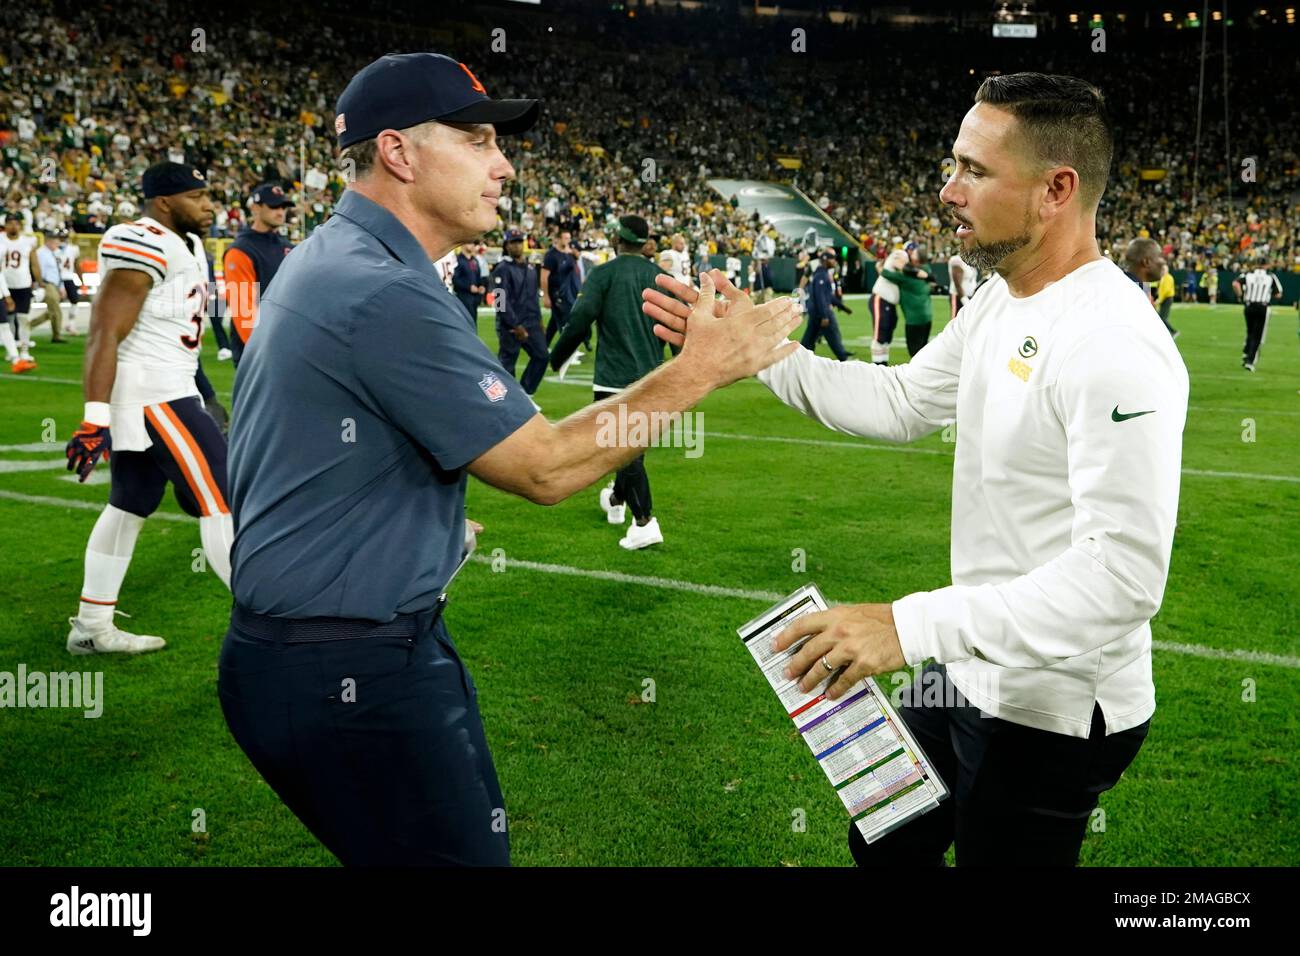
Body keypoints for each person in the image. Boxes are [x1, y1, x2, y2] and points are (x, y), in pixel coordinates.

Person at [217, 52, 800, 867]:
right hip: (348, 667)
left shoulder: (341, 258)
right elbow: (547, 467)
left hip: (313, 652)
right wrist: (704, 364)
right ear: (399, 153)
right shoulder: (382, 287)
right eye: (480, 139)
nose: (504, 164)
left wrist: (409, 518)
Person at [647, 72, 1187, 868]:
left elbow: (1122, 579)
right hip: (966, 672)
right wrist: (762, 355)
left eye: (974, 170)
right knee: (885, 841)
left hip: (1051, 709)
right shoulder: (1003, 300)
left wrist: (907, 626)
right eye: (953, 164)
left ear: (1055, 190)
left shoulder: (1114, 342)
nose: (947, 190)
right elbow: (901, 400)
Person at [64, 162, 231, 655]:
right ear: (163, 202)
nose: (209, 206)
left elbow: (180, 334)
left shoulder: (191, 245)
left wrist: (205, 393)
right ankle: (281, 634)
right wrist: (95, 418)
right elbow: (104, 331)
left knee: (131, 499)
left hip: (173, 385)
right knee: (222, 496)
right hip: (153, 392)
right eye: (197, 197)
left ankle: (92, 626)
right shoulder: (140, 239)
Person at [550, 214, 669, 550]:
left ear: (618, 239)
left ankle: (645, 521)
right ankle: (617, 501)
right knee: (630, 449)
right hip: (655, 379)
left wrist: (557, 357)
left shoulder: (603, 274)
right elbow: (679, 328)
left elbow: (579, 320)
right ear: (646, 242)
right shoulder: (662, 277)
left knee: (623, 452)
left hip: (615, 379)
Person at [222, 182, 294, 366]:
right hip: (258, 352)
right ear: (255, 208)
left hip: (287, 343)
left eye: (283, 207)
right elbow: (243, 311)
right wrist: (266, 352)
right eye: (273, 206)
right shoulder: (241, 251)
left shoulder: (288, 247)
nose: (280, 212)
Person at [490, 227, 548, 396]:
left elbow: (533, 298)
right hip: (511, 326)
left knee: (542, 356)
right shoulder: (502, 269)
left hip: (531, 322)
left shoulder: (530, 268)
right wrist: (515, 325)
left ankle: (526, 394)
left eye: (519, 242)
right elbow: (501, 302)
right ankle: (503, 402)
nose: (517, 246)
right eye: (513, 243)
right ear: (506, 245)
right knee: (507, 367)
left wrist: (539, 321)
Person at [1, 213, 39, 371]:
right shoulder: (1, 241)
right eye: (10, 223)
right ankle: (13, 352)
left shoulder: (28, 242)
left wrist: (39, 283)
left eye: (16, 223)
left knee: (23, 319)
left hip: (22, 284)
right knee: (6, 320)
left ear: (21, 225)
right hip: (4, 285)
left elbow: (34, 264)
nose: (13, 226)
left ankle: (23, 350)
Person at [800, 251, 852, 361]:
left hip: (815, 312)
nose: (834, 261)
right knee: (833, 336)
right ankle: (844, 359)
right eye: (832, 259)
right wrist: (824, 316)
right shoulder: (821, 276)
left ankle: (800, 359)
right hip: (820, 312)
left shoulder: (821, 274)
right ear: (826, 260)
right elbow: (820, 298)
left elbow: (828, 296)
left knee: (808, 340)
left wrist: (842, 307)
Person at [1232, 259, 1283, 371]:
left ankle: (1246, 353)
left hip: (1249, 305)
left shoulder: (1248, 274)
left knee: (1250, 331)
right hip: (1262, 307)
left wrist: (1240, 295)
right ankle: (1250, 361)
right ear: (1267, 265)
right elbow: (1279, 294)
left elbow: (1235, 284)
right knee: (1258, 335)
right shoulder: (1270, 276)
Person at [540, 229, 577, 345]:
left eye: (569, 238)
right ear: (559, 239)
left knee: (555, 321)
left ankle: (544, 345)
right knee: (565, 320)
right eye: (565, 238)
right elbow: (544, 277)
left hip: (567, 292)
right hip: (556, 293)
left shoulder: (569, 254)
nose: (567, 241)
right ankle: (567, 350)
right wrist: (546, 296)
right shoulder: (551, 255)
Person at [33, 231, 68, 343]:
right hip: (47, 284)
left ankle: (28, 326)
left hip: (56, 284)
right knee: (56, 311)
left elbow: (58, 271)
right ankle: (57, 336)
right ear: (48, 241)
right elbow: (38, 270)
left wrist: (61, 286)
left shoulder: (56, 253)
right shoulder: (41, 253)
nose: (58, 242)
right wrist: (40, 284)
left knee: (52, 312)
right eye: (55, 240)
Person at [451, 242, 486, 327]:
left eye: (473, 243)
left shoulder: (474, 260)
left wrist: (481, 286)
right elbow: (455, 279)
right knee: (465, 324)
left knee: (473, 323)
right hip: (463, 296)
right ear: (463, 244)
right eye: (470, 243)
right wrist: (468, 287)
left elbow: (478, 276)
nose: (473, 245)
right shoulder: (457, 260)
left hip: (474, 297)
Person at [1153, 262, 1178, 338]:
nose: (1162, 271)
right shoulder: (1163, 278)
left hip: (1167, 299)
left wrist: (1159, 300)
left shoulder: (1168, 278)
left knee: (1162, 318)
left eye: (1164, 269)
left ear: (1167, 270)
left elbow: (1166, 291)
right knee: (1162, 317)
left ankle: (1173, 331)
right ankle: (1168, 333)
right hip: (1164, 299)